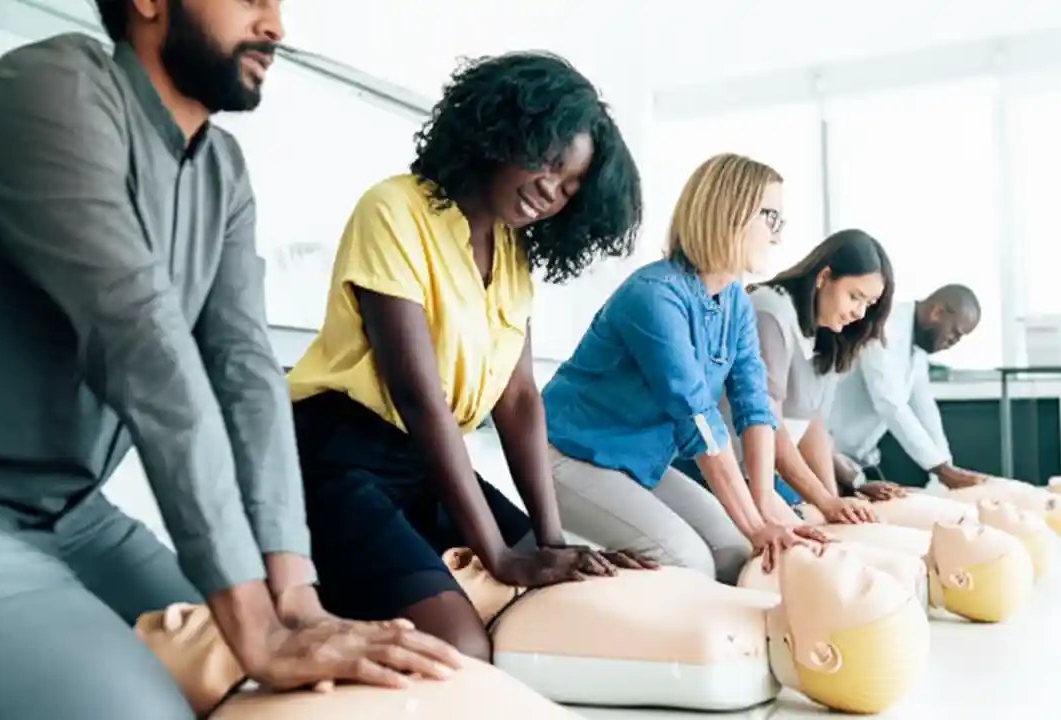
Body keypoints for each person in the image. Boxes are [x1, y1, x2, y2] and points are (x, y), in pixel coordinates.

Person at [0, 1, 463, 718]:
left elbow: (247, 374)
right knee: (153, 710)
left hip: (77, 514)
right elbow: (148, 354)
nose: (275, 26)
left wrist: (295, 597)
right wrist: (255, 629)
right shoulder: (49, 91)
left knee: (277, 692)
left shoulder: (221, 169)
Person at [286, 50, 650, 662]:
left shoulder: (512, 253)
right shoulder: (394, 208)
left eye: (569, 186)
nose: (551, 190)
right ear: (502, 132)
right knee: (461, 645)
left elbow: (519, 400)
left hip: (423, 461)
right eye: (547, 161)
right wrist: (499, 556)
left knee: (572, 602)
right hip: (336, 456)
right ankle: (312, 608)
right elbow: (418, 397)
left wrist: (551, 540)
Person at [541, 153, 827, 584]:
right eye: (771, 217)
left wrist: (766, 503)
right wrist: (756, 525)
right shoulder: (654, 295)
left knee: (734, 553)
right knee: (689, 564)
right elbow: (697, 417)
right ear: (730, 212)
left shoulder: (735, 301)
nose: (778, 234)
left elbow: (754, 404)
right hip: (566, 455)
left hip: (638, 462)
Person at [736, 230, 895, 525]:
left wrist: (835, 499)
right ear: (824, 277)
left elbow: (809, 423)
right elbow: (769, 424)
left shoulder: (822, 332)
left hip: (767, 474)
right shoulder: (770, 312)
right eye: (855, 297)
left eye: (869, 304)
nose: (860, 313)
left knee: (845, 523)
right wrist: (825, 501)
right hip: (732, 473)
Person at [827, 284, 988, 494]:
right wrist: (940, 469)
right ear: (937, 312)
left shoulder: (917, 345)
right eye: (954, 333)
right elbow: (889, 403)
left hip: (855, 459)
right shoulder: (885, 325)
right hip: (825, 451)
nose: (953, 342)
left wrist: (948, 467)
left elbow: (924, 407)